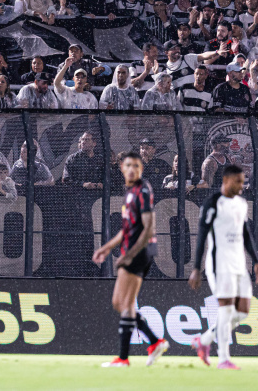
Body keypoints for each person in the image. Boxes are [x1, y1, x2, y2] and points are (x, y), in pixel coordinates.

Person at [93, 151, 169, 367]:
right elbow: (126, 230)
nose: (132, 169)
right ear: (122, 168)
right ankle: (154, 342)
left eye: (136, 166)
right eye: (128, 165)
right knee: (120, 303)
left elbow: (148, 228)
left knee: (125, 304)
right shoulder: (130, 193)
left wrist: (129, 254)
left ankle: (123, 358)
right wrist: (106, 248)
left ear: (141, 169)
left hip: (140, 251)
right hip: (134, 250)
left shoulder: (143, 190)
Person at [189, 164, 258, 369]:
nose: (241, 185)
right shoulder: (213, 203)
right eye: (238, 181)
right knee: (226, 309)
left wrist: (256, 262)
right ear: (226, 181)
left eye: (243, 181)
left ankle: (204, 340)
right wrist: (196, 268)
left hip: (239, 265)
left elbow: (245, 234)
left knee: (242, 313)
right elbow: (201, 236)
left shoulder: (241, 203)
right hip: (220, 264)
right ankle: (223, 359)